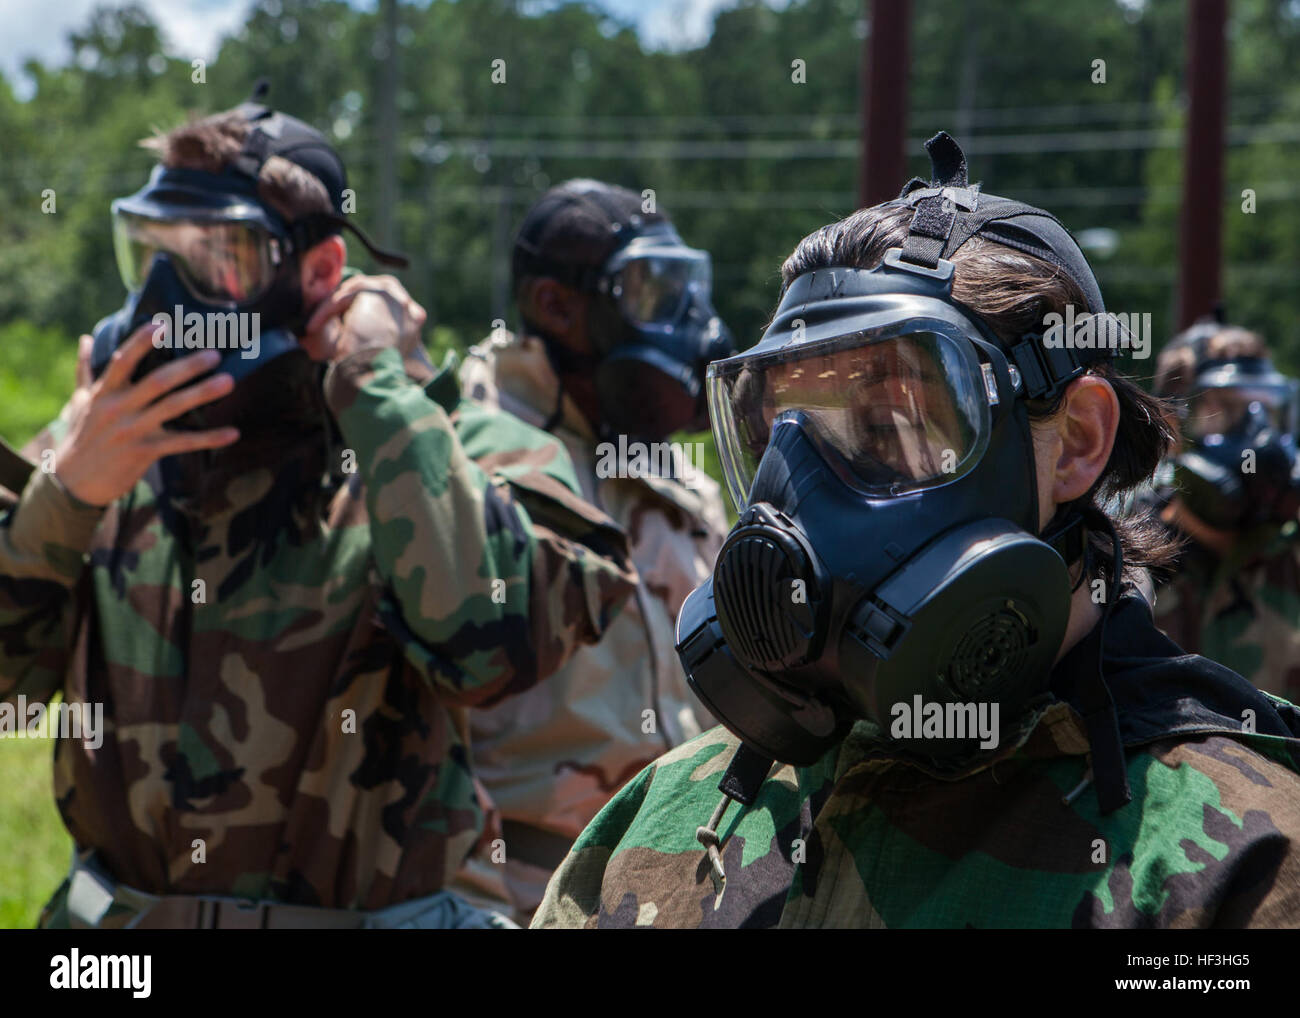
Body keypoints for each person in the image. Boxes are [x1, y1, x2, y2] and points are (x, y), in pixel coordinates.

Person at [531, 134, 1300, 929]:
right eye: (778, 430)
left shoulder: (1237, 863)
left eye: (890, 421)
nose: (800, 496)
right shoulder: (651, 827)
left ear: (1075, 441)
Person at [0, 97, 637, 929]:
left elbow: (487, 648)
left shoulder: (443, 436)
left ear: (319, 271)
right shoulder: (96, 445)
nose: (166, 295)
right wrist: (69, 493)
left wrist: (374, 385)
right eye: (150, 252)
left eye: (215, 257)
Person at [453, 180, 733, 923]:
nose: (685, 321)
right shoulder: (457, 465)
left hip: (685, 890)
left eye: (683, 288)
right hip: (522, 897)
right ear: (556, 305)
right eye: (648, 291)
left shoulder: (669, 469)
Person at [1146, 321, 1300, 701]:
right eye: (1227, 408)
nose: (1258, 437)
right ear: (1172, 426)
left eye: (1265, 408)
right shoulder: (1126, 572)